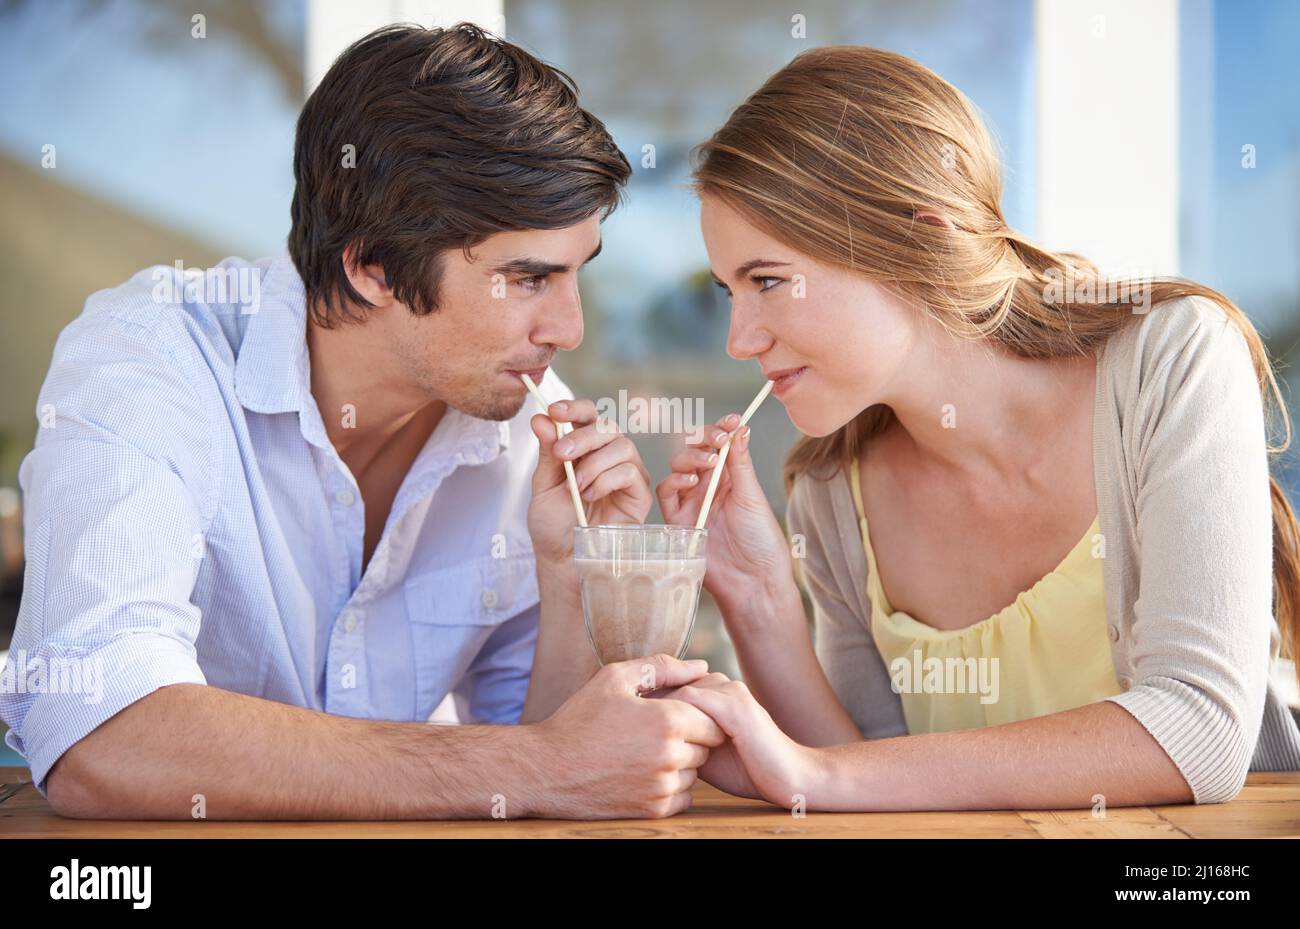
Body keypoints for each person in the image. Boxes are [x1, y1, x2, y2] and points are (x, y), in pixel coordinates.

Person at [0, 23, 726, 821]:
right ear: (372, 264)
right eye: (528, 279)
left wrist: (571, 576)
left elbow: (564, 771)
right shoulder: (150, 362)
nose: (570, 329)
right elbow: (101, 736)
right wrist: (541, 763)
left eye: (575, 274)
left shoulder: (530, 432)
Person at [655, 45, 1300, 811]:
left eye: (767, 281)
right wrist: (757, 594)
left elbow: (1200, 730)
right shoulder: (830, 492)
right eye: (729, 291)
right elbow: (875, 780)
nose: (740, 338)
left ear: (918, 242)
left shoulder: (1172, 360)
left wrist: (816, 776)